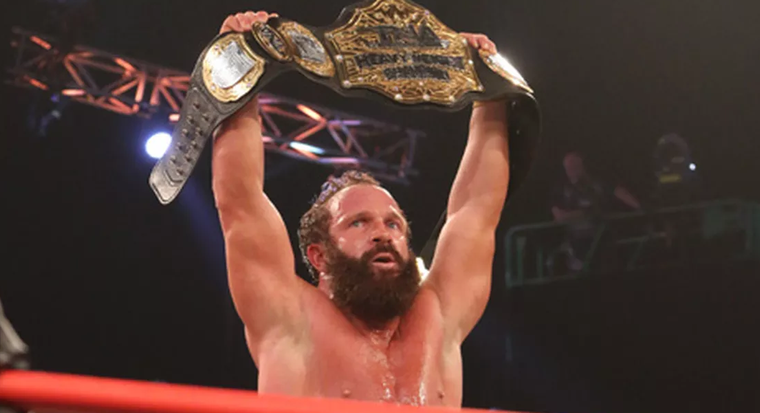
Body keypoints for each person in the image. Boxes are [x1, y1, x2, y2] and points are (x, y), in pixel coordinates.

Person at [212, 11, 516, 407]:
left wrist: (490, 91)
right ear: (318, 256)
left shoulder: (437, 316)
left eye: (394, 224)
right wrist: (236, 58)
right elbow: (239, 200)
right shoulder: (290, 318)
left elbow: (477, 210)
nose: (382, 234)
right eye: (358, 223)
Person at [549, 152, 641, 272]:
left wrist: (639, 207)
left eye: (575, 166)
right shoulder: (562, 189)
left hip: (601, 238)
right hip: (577, 242)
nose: (572, 170)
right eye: (568, 167)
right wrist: (582, 213)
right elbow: (559, 216)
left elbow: (616, 192)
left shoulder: (596, 183)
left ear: (582, 165)